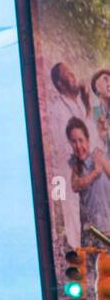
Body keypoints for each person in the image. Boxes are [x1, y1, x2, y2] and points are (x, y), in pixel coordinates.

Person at [50, 61, 100, 251]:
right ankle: (76, 257)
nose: (73, 75)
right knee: (73, 219)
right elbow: (68, 145)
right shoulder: (58, 110)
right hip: (72, 170)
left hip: (90, 165)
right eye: (68, 74)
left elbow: (91, 135)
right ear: (61, 84)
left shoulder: (79, 101)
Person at [67, 117, 110, 243]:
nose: (78, 145)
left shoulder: (98, 156)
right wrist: (95, 172)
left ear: (88, 140)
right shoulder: (76, 164)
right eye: (74, 141)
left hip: (106, 231)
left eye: (81, 140)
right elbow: (75, 186)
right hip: (90, 234)